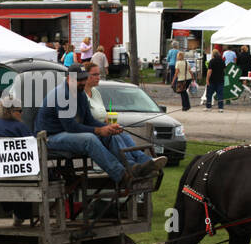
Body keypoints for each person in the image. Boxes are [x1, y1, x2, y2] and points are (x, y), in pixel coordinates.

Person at [35, 67, 163, 188]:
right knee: (89, 139)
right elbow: (70, 127)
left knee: (111, 135)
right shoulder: (62, 94)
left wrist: (109, 128)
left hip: (65, 133)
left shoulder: (80, 93)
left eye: (84, 78)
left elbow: (89, 120)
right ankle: (122, 175)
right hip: (50, 137)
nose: (82, 82)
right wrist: (99, 130)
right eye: (79, 80)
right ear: (69, 79)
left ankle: (136, 166)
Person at [0, 93, 34, 227]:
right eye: (20, 111)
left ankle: (15, 212)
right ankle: (20, 214)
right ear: (12, 111)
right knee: (26, 175)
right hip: (11, 176)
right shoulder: (19, 127)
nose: (21, 114)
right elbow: (34, 150)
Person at [204, 45, 226, 111]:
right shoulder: (222, 61)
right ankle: (220, 108)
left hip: (212, 80)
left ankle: (208, 107)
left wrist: (207, 79)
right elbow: (224, 70)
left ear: (213, 54)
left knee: (209, 94)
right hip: (220, 79)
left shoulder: (212, 61)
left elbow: (209, 71)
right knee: (220, 94)